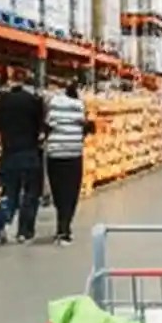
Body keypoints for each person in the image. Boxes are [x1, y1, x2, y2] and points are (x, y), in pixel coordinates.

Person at [0, 83, 45, 245]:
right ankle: (25, 231)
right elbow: (41, 127)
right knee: (30, 194)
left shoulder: (2, 102)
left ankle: (1, 226)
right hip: (30, 153)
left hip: (9, 154)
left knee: (8, 194)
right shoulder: (33, 101)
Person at [43, 83, 94, 246]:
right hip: (73, 154)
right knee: (71, 192)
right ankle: (65, 229)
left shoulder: (52, 105)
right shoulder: (79, 106)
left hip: (55, 154)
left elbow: (47, 126)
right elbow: (84, 127)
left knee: (58, 191)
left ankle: (61, 225)